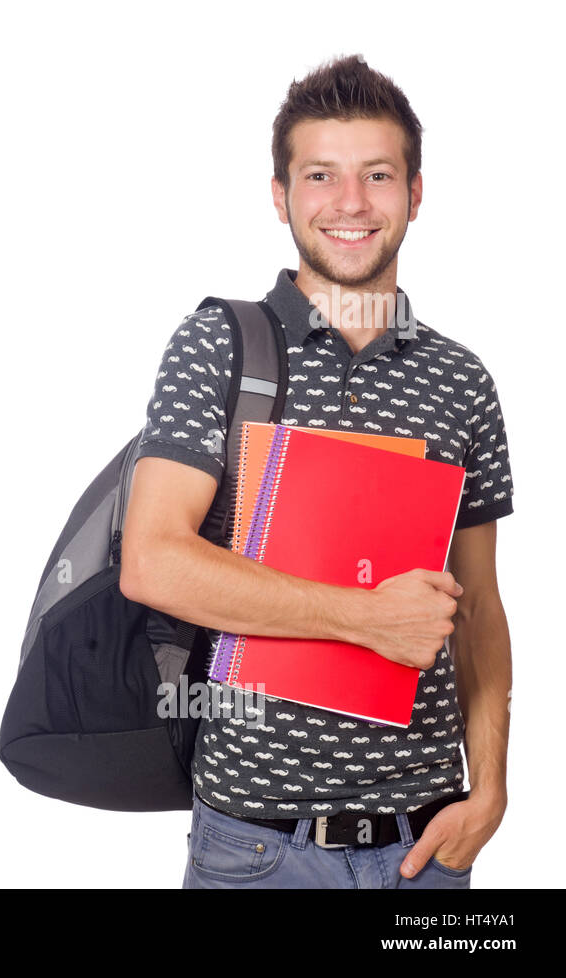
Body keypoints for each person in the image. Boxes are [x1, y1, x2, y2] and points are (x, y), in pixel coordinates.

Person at [119, 55, 512, 889]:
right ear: (280, 195)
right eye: (320, 175)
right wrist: (364, 618)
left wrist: (493, 789)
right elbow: (152, 560)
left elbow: (477, 605)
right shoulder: (220, 345)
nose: (351, 203)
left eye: (378, 174)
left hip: (428, 847)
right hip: (256, 847)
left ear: (415, 192)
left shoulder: (462, 380)